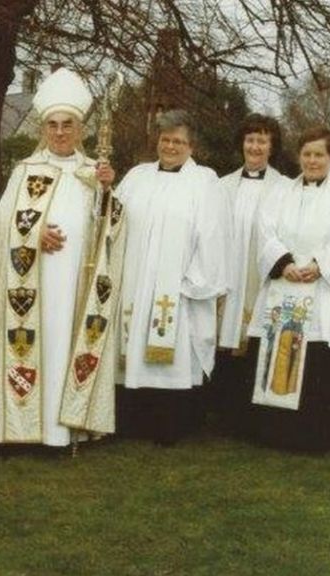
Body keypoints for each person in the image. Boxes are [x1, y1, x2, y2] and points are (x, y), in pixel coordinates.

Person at [0, 68, 123, 448]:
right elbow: (2, 223)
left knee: (67, 345)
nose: (60, 132)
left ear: (81, 129)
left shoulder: (93, 173)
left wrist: (107, 191)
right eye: (53, 125)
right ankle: (24, 430)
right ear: (43, 128)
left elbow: (114, 226)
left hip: (76, 281)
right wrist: (32, 235)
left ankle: (67, 429)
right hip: (34, 279)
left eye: (68, 124)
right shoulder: (26, 171)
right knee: (37, 344)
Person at [244, 126, 330, 452]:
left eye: (319, 155)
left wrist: (320, 264)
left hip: (321, 287)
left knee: (317, 356)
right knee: (279, 347)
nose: (312, 161)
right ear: (299, 156)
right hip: (284, 285)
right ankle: (274, 431)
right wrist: (284, 263)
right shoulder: (281, 191)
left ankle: (316, 434)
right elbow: (265, 231)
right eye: (307, 154)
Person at [114, 110, 228, 445]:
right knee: (134, 350)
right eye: (165, 139)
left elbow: (213, 235)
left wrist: (193, 283)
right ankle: (132, 421)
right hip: (136, 282)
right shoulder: (137, 176)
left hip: (177, 289)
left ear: (191, 146)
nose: (171, 146)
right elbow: (114, 221)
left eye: (179, 141)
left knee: (174, 356)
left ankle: (170, 425)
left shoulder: (204, 181)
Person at [213, 113, 291, 435]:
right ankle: (220, 412)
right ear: (241, 144)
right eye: (250, 140)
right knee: (224, 336)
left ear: (272, 147)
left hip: (261, 277)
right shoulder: (221, 186)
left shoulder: (285, 188)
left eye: (262, 140)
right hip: (228, 273)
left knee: (255, 338)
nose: (255, 146)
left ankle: (251, 415)